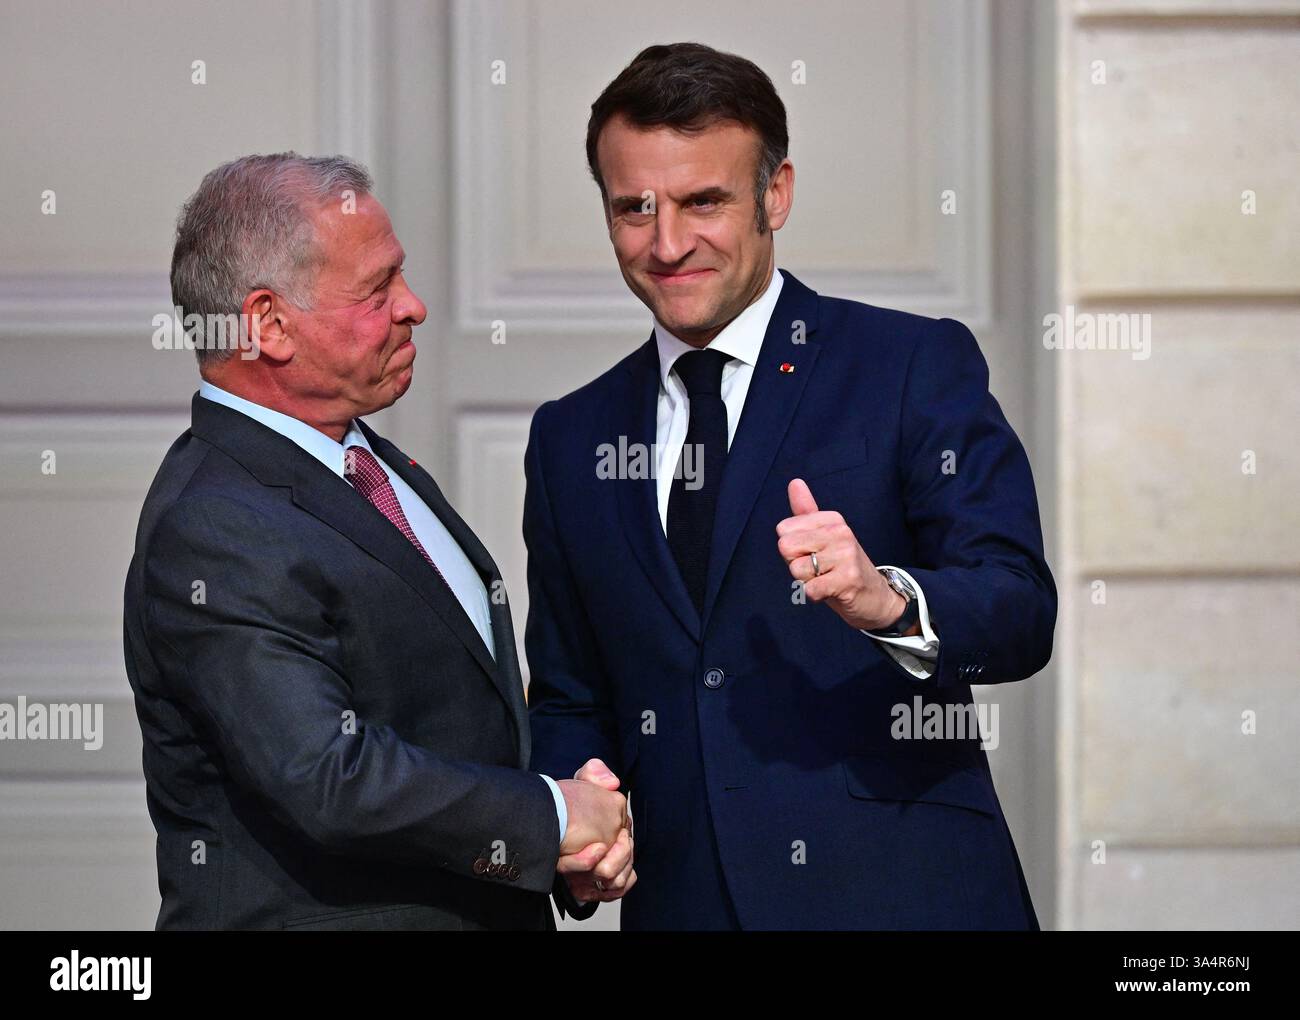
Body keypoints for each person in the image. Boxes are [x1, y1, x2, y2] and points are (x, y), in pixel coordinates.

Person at [524, 44, 1057, 929]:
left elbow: (1020, 610)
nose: (667, 243)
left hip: (906, 900)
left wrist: (886, 599)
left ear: (776, 195)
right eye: (634, 208)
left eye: (704, 202)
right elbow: (574, 694)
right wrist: (579, 822)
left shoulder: (909, 364)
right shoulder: (570, 434)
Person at [123, 153, 631, 929]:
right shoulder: (217, 525)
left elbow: (451, 721)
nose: (416, 306)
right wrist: (553, 817)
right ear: (267, 324)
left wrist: (555, 854)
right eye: (377, 289)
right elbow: (327, 776)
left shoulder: (359, 458)